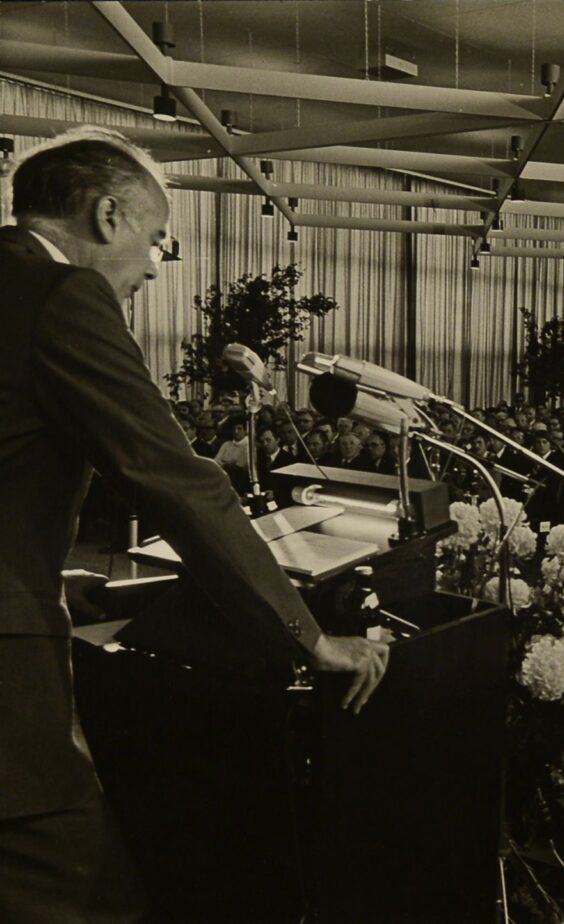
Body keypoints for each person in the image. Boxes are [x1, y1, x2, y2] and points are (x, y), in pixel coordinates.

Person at [0, 128, 389, 923]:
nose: (151, 266)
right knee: (80, 895)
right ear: (108, 215)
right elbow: (174, 478)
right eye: (152, 238)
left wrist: (43, 575)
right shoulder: (60, 295)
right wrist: (308, 639)